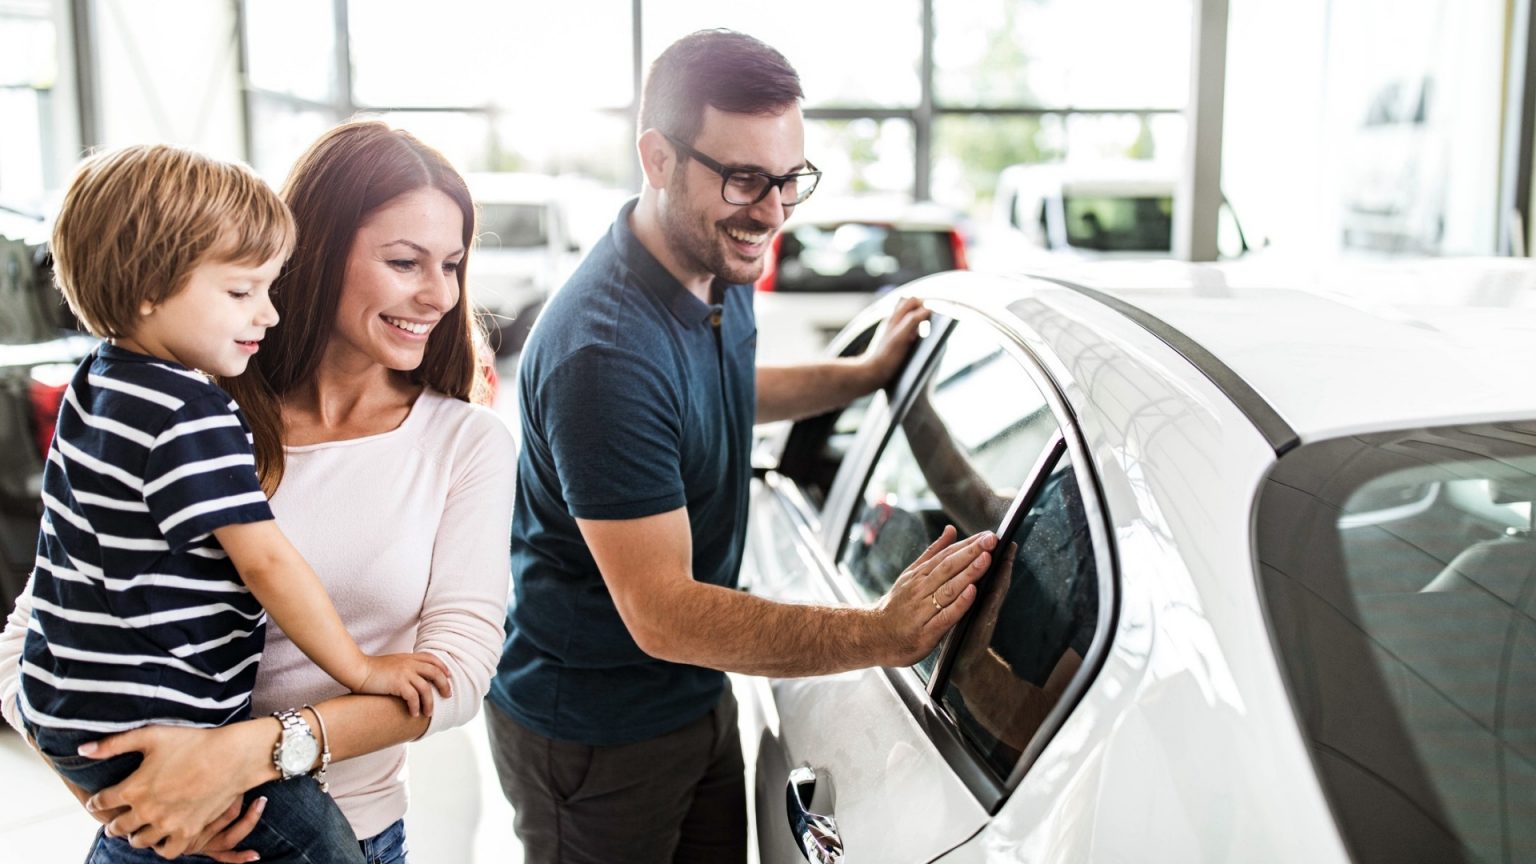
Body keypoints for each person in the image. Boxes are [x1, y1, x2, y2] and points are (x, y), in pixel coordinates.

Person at [486, 29, 997, 863]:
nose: (771, 211)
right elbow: (665, 613)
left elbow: (719, 394)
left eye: (789, 179)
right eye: (743, 179)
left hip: (692, 694)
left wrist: (860, 375)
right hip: (594, 734)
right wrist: (881, 633)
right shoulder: (603, 354)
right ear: (657, 158)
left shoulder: (716, 263)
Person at [0, 120, 516, 864]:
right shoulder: (198, 408)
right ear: (313, 257)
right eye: (405, 262)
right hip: (160, 833)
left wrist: (248, 756)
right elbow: (35, 624)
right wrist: (117, 792)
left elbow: (455, 680)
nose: (438, 294)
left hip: (340, 829)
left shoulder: (463, 443)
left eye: (454, 264)